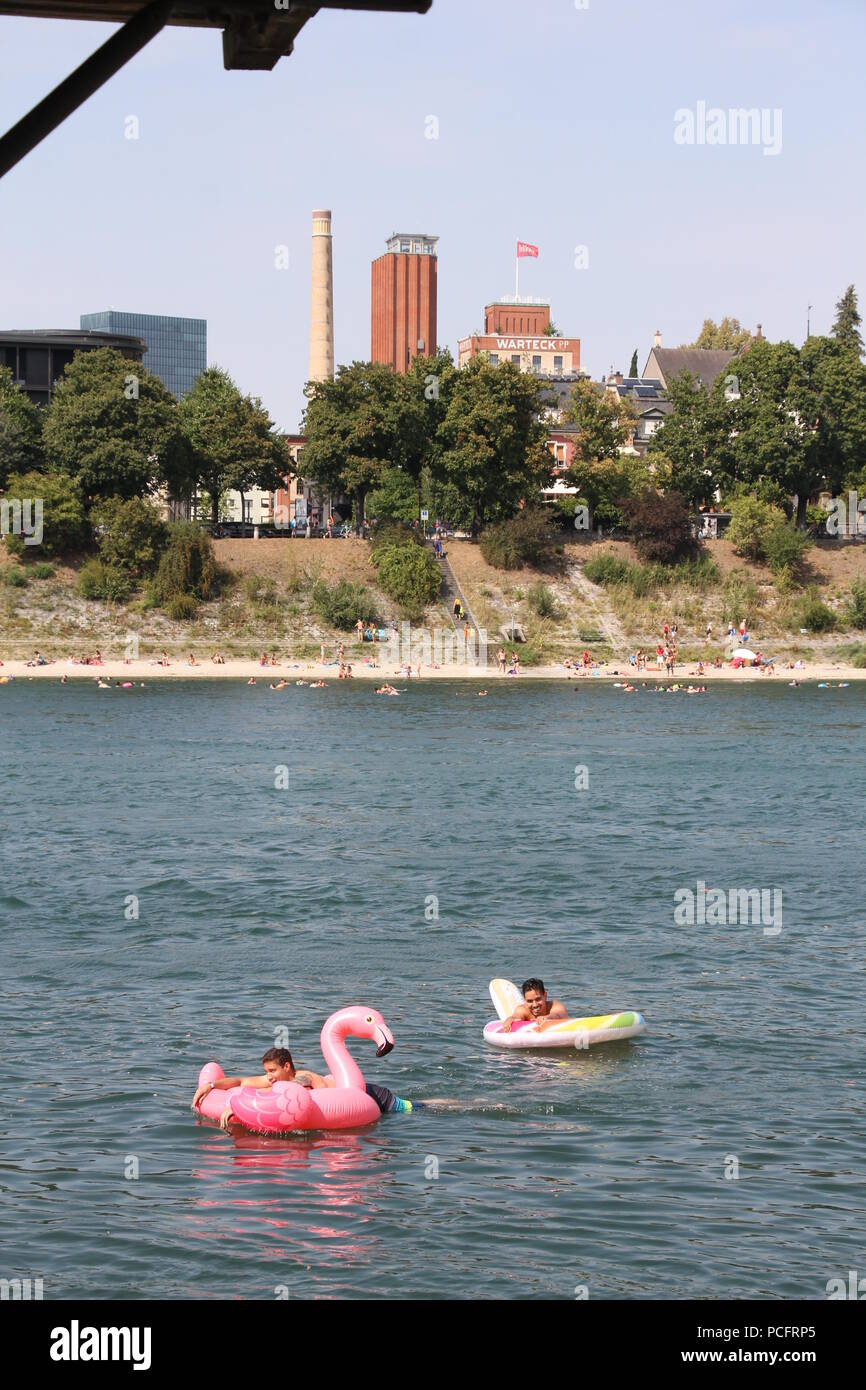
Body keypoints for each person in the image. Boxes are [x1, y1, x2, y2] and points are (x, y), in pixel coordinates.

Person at [192, 1047, 416, 1124]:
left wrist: (240, 1106)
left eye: (272, 1071)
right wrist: (211, 1086)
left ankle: (448, 1104)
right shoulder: (274, 1080)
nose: (268, 1077)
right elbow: (239, 1081)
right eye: (266, 1071)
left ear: (287, 1067)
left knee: (414, 1108)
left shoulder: (302, 1079)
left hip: (370, 1094)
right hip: (354, 1097)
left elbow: (289, 1097)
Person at [501, 979, 568, 1033]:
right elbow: (516, 1016)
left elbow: (558, 1015)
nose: (535, 1005)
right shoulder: (523, 1010)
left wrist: (547, 1017)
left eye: (538, 999)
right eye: (529, 1001)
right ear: (525, 1000)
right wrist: (511, 1019)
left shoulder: (555, 1006)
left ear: (545, 996)